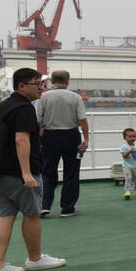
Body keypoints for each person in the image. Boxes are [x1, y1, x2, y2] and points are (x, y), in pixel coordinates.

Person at [0, 68, 66, 271]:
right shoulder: (23, 109)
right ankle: (35, 258)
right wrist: (27, 173)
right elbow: (21, 140)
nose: (42, 88)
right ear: (22, 86)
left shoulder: (2, 106)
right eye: (37, 84)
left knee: (5, 214)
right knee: (32, 214)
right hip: (18, 172)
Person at [35, 69, 89, 217]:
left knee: (47, 172)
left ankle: (44, 206)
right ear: (67, 81)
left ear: (52, 81)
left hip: (50, 136)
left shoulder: (43, 97)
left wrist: (39, 141)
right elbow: (83, 120)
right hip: (71, 136)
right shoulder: (75, 97)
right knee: (71, 172)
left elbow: (38, 121)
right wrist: (86, 139)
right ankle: (67, 208)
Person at [119, 128, 136, 200]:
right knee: (128, 178)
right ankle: (127, 191)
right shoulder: (124, 146)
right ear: (125, 138)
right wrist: (129, 151)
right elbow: (124, 156)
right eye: (130, 137)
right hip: (127, 166)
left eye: (134, 136)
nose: (132, 138)